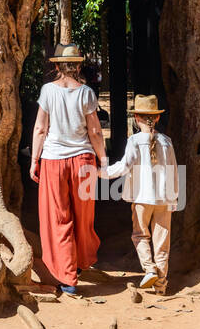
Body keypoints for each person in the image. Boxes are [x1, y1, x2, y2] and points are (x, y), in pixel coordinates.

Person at [30, 43, 106, 294]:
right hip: (83, 161)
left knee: (58, 218)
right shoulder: (86, 93)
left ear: (57, 66)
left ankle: (67, 277)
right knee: (84, 218)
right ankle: (80, 262)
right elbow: (94, 130)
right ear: (78, 65)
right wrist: (103, 159)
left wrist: (34, 159)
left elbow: (40, 128)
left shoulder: (48, 91)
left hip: (53, 161)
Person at [100, 94, 179, 294]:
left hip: (142, 199)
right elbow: (174, 170)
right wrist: (175, 197)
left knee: (140, 235)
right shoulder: (167, 141)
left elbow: (124, 166)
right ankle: (161, 285)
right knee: (163, 243)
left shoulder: (134, 141)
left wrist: (103, 173)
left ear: (136, 118)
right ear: (158, 118)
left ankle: (149, 268)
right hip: (164, 198)